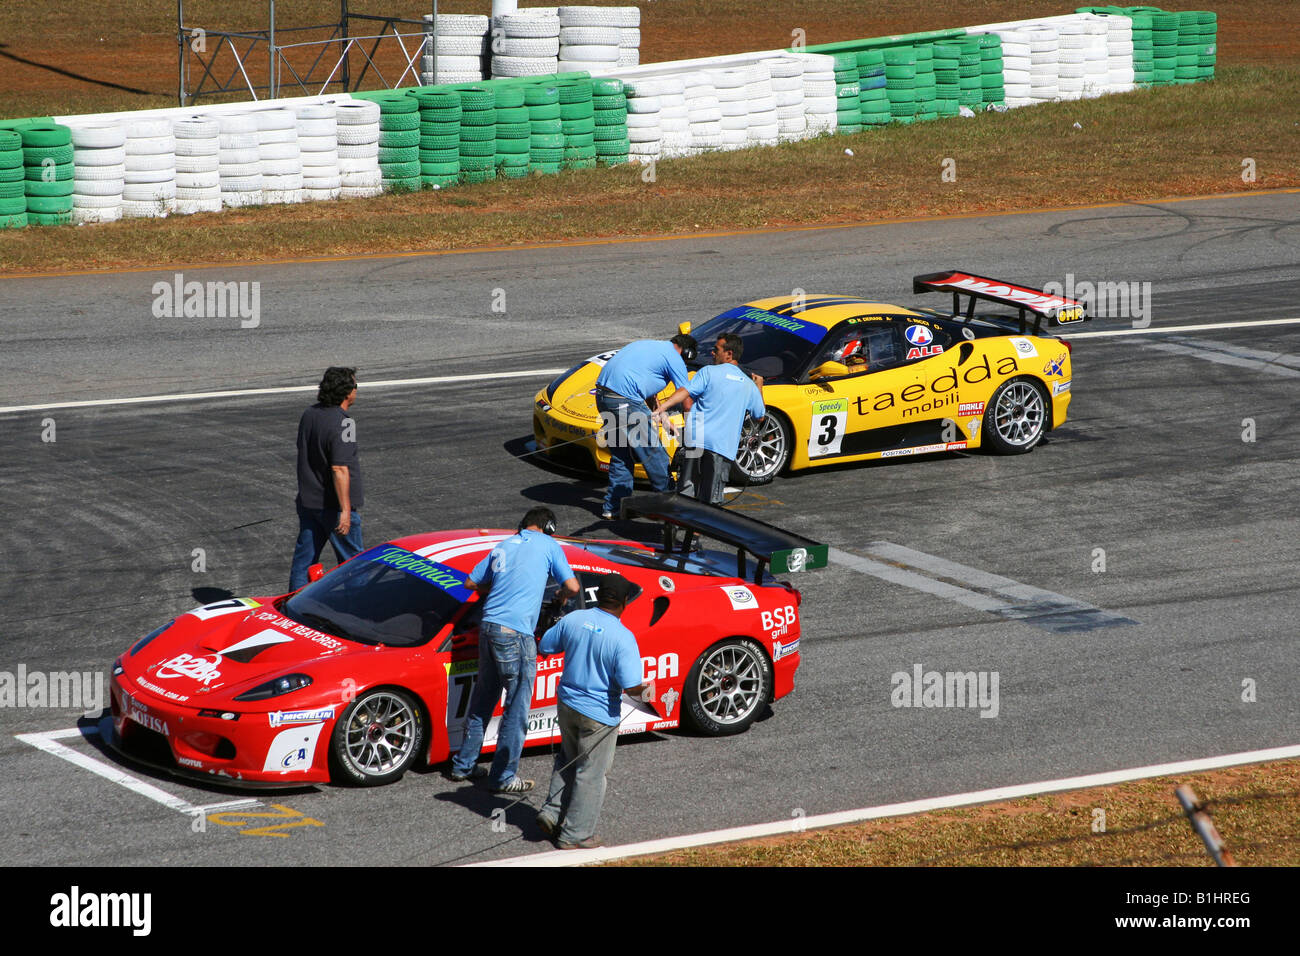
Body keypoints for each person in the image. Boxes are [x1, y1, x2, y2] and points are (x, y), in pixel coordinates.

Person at [449, 507, 579, 793]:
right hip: (516, 635)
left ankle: (463, 765)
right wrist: (559, 595)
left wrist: (500, 588)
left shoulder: (504, 544)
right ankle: (503, 776)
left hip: (488, 627)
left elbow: (471, 582)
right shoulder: (549, 545)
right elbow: (572, 585)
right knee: (517, 709)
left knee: (483, 699)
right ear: (547, 528)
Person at [535, 573, 653, 849]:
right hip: (598, 715)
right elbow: (631, 687)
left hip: (567, 704)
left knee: (567, 759)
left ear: (598, 596)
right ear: (624, 602)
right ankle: (574, 834)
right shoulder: (623, 638)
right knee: (591, 775)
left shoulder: (575, 619)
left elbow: (546, 645)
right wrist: (647, 691)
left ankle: (551, 813)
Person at [594, 333, 697, 520]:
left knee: (621, 456)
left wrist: (665, 419)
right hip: (625, 401)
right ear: (686, 353)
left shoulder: (650, 346)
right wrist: (691, 431)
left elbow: (648, 393)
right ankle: (670, 504)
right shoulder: (675, 358)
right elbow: (686, 396)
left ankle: (614, 507)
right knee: (654, 453)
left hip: (604, 397)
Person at [654, 333, 765, 505]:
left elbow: (685, 392)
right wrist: (759, 386)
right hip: (721, 446)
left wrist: (663, 407)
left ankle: (677, 524)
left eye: (716, 350)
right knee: (710, 499)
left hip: (696, 439)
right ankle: (697, 531)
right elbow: (760, 416)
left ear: (729, 354)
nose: (712, 353)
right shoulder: (748, 385)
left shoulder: (708, 372)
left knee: (686, 489)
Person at [289, 366, 364, 592]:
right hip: (333, 507)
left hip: (309, 501)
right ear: (346, 392)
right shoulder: (345, 423)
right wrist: (345, 510)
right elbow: (340, 468)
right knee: (354, 564)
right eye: (355, 386)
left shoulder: (310, 414)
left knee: (304, 560)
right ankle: (357, 610)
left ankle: (293, 602)